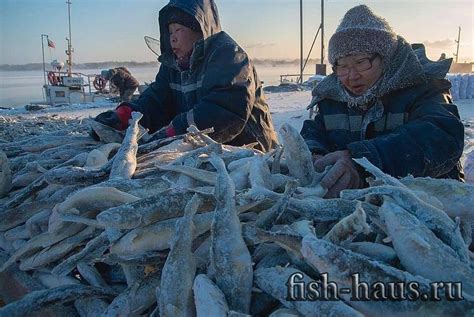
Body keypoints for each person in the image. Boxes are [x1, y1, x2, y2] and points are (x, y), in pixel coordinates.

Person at [300, 5, 464, 198]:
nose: (351, 76)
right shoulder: (333, 97)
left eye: (361, 62)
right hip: (360, 208)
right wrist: (314, 156)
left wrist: (363, 162)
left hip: (432, 203)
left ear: (386, 59)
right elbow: (313, 132)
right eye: (342, 66)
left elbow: (443, 136)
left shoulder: (422, 86)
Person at [94, 0, 278, 151]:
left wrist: (176, 131)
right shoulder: (173, 65)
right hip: (207, 151)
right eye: (170, 32)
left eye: (178, 30)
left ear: (199, 30)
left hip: (249, 151)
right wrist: (126, 116)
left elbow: (225, 111)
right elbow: (156, 100)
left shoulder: (228, 56)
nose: (172, 38)